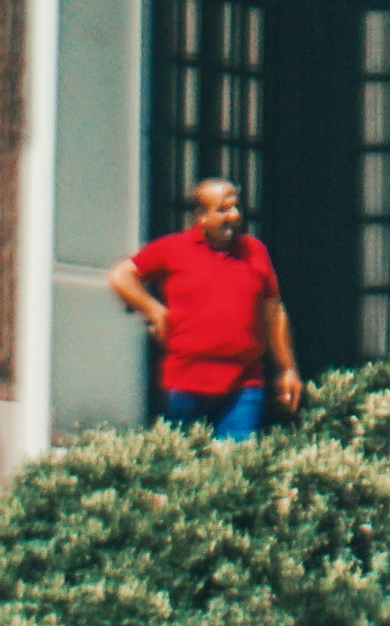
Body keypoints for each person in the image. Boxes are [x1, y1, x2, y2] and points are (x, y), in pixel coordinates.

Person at [110, 177, 296, 439]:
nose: (234, 216)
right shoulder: (173, 248)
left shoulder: (255, 251)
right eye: (223, 210)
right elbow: (121, 276)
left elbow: (274, 312)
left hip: (243, 386)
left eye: (236, 207)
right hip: (186, 384)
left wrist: (287, 368)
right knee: (186, 459)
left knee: (238, 460)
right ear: (202, 216)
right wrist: (153, 310)